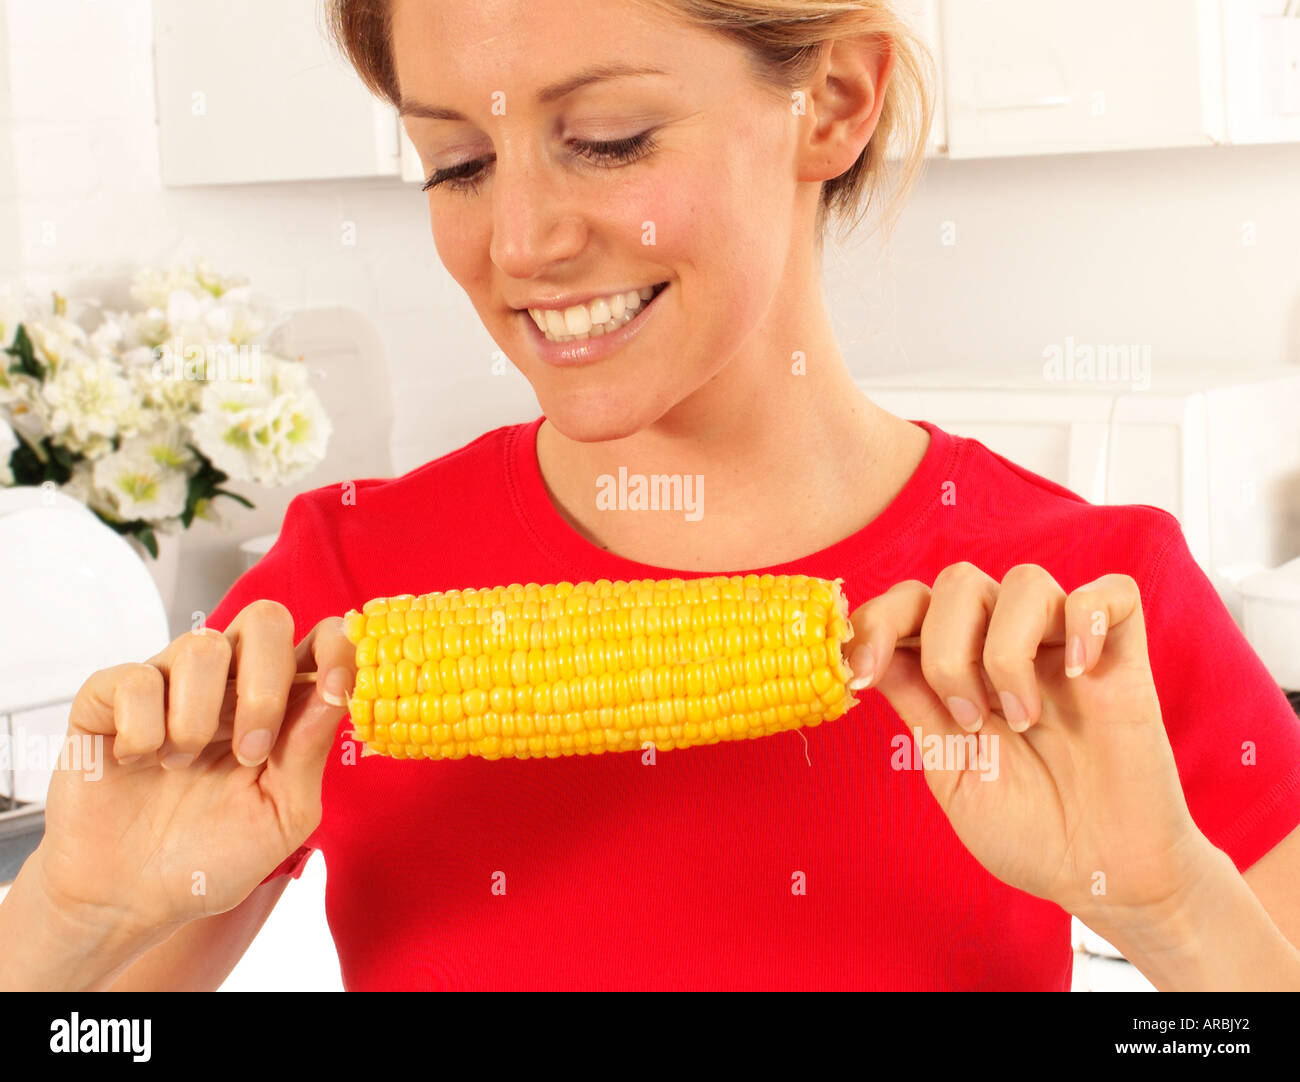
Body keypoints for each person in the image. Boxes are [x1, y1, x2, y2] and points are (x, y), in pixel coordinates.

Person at [3, 0, 1299, 991]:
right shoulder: (340, 590)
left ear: (834, 101)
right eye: (456, 162)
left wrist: (1170, 911)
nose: (518, 243)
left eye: (608, 140)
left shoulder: (1079, 618)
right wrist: (76, 916)